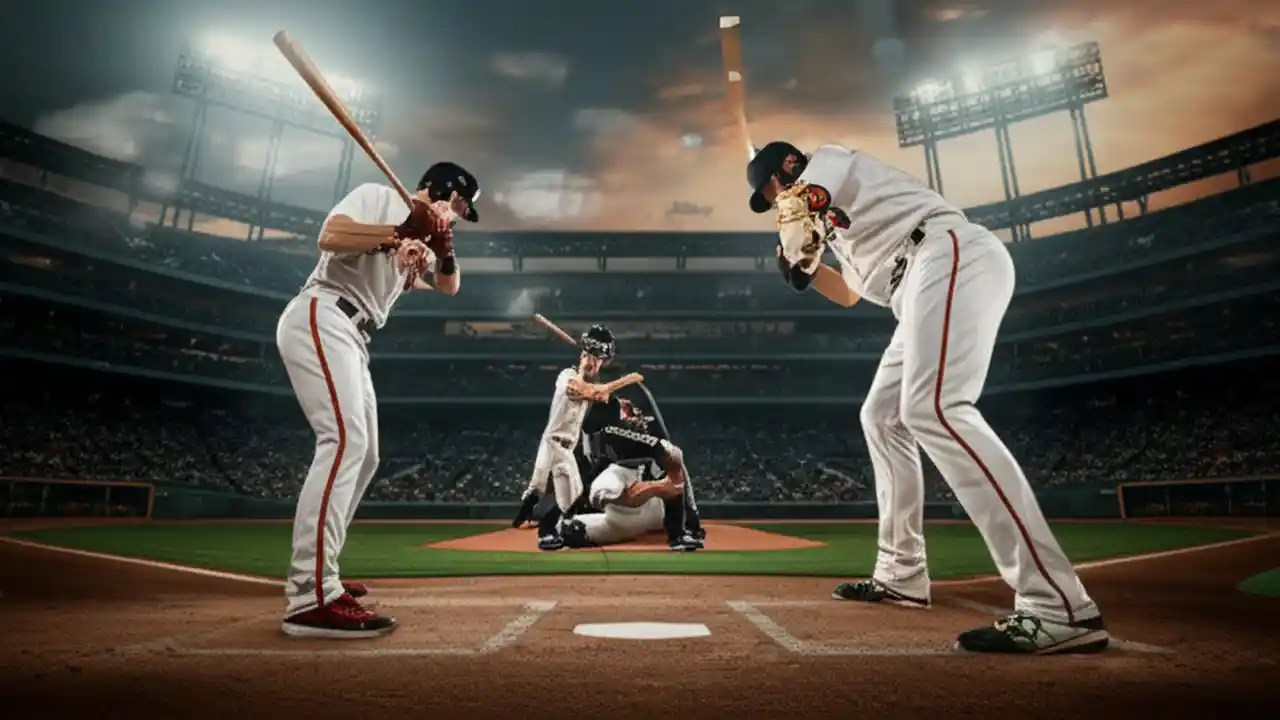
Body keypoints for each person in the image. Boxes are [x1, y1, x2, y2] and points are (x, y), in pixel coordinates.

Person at [746, 140, 1107, 655]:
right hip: (912, 290)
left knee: (934, 408)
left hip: (944, 250)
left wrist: (796, 234)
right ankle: (902, 574)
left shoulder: (829, 160)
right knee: (882, 416)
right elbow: (847, 293)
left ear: (789, 166)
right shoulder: (838, 232)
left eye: (773, 187)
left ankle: (1058, 603)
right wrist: (802, 269)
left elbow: (806, 200)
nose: (773, 196)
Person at [275, 162, 480, 639]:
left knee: (365, 456)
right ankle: (310, 595)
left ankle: (323, 575)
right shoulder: (380, 197)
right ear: (443, 191)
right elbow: (330, 236)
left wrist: (442, 248)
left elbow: (450, 285)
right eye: (459, 207)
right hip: (323, 312)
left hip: (354, 332)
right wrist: (396, 232)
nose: (458, 216)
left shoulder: (423, 238)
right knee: (344, 442)